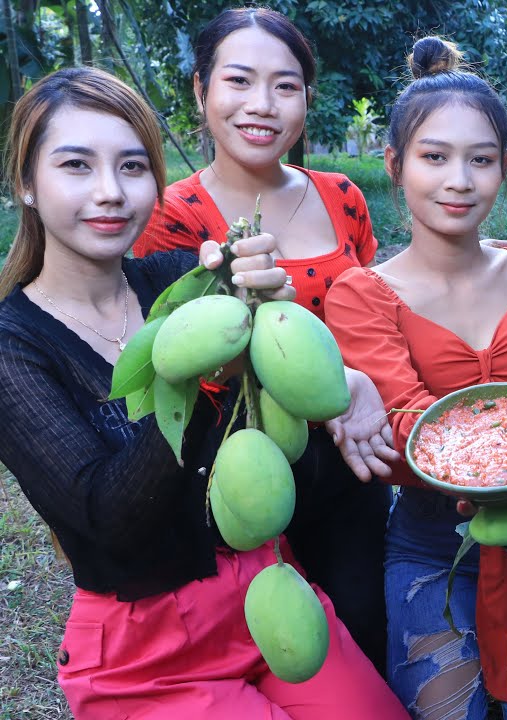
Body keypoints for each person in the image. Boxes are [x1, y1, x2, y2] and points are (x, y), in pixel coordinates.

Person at [0, 66, 406, 719]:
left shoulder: (184, 279)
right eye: (76, 165)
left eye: (132, 168)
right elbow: (110, 521)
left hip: (261, 591)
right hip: (145, 652)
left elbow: (284, 430)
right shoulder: (13, 345)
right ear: (25, 182)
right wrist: (195, 376)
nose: (109, 192)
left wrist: (321, 363)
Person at [324, 38, 507, 720]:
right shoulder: (361, 295)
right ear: (395, 165)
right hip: (430, 543)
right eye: (434, 157)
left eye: (481, 159)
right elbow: (408, 421)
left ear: (503, 168)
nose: (459, 180)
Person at [131, 7, 395, 670]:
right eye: (240, 81)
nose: (263, 105)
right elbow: (170, 366)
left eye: (285, 85)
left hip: (346, 454)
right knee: (257, 650)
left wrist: (355, 378)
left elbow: (368, 322)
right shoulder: (171, 217)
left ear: (306, 97)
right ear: (201, 90)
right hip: (238, 464)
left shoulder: (343, 197)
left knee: (361, 625)